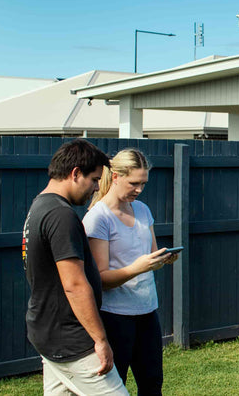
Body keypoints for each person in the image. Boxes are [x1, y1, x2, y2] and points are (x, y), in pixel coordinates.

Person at [22, 139, 128, 395]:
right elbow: (75, 285)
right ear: (75, 173)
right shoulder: (61, 215)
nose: (95, 189)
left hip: (47, 332)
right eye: (93, 180)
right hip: (71, 340)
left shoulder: (39, 205)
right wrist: (101, 340)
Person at [82, 148, 178, 395]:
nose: (139, 190)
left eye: (143, 184)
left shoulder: (143, 210)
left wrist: (164, 258)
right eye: (134, 183)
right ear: (115, 177)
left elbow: (151, 253)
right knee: (116, 385)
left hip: (147, 310)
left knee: (152, 382)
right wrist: (138, 267)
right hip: (115, 316)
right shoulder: (98, 218)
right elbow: (100, 278)